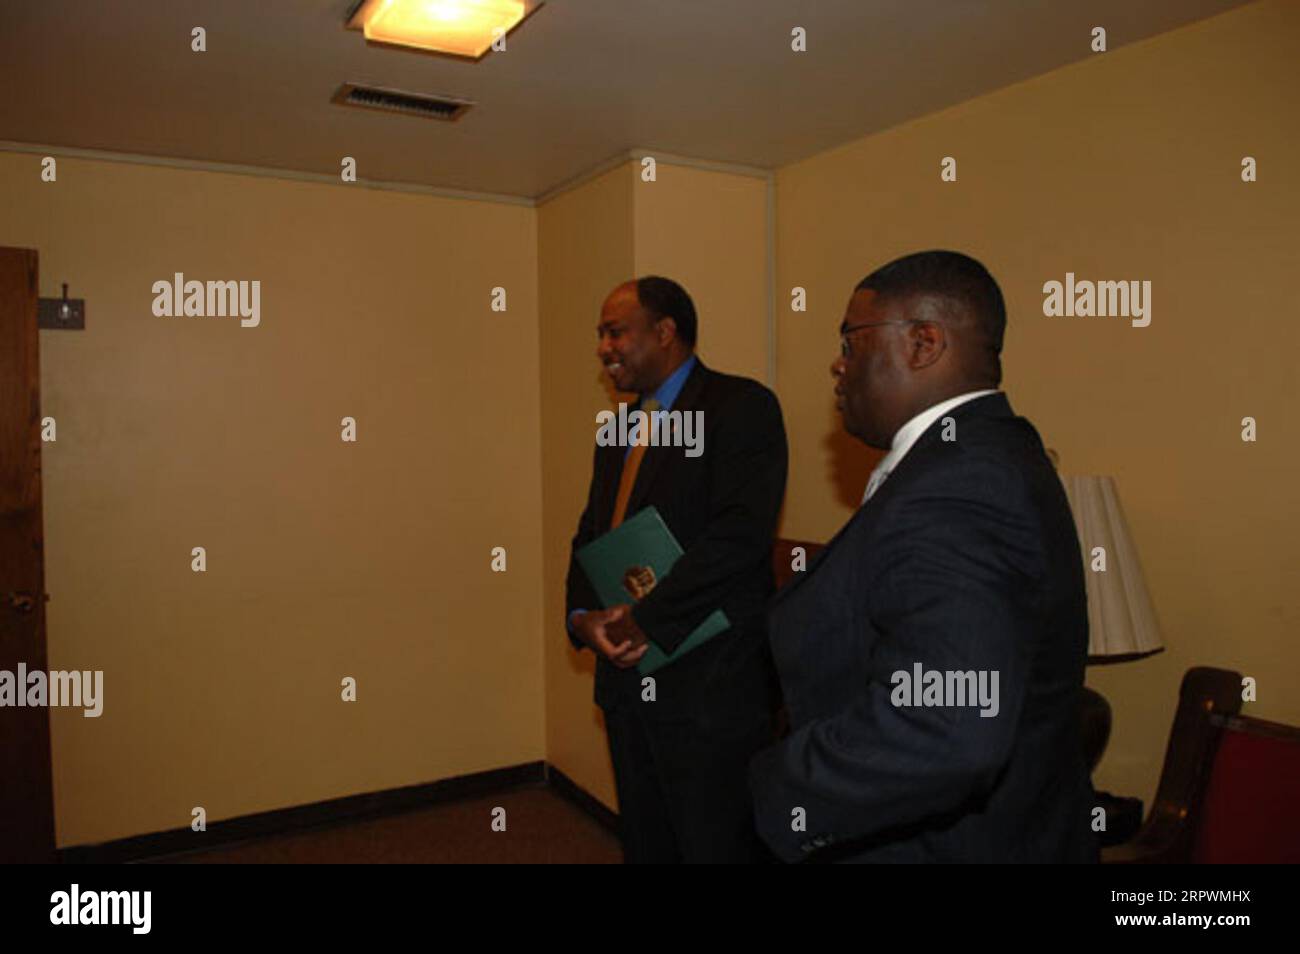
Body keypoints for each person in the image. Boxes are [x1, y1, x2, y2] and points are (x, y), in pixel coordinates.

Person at [749, 250, 1097, 862]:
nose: (838, 363)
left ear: (924, 343)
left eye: (850, 341)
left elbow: (948, 723)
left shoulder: (960, 484)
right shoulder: (979, 455)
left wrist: (779, 784)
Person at [566, 276, 787, 863]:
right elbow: (592, 535)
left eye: (616, 332)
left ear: (665, 332)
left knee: (714, 844)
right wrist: (583, 617)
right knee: (646, 840)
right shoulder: (617, 431)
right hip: (626, 685)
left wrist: (647, 621)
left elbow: (739, 537)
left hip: (709, 688)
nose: (604, 348)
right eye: (600, 336)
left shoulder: (742, 407)